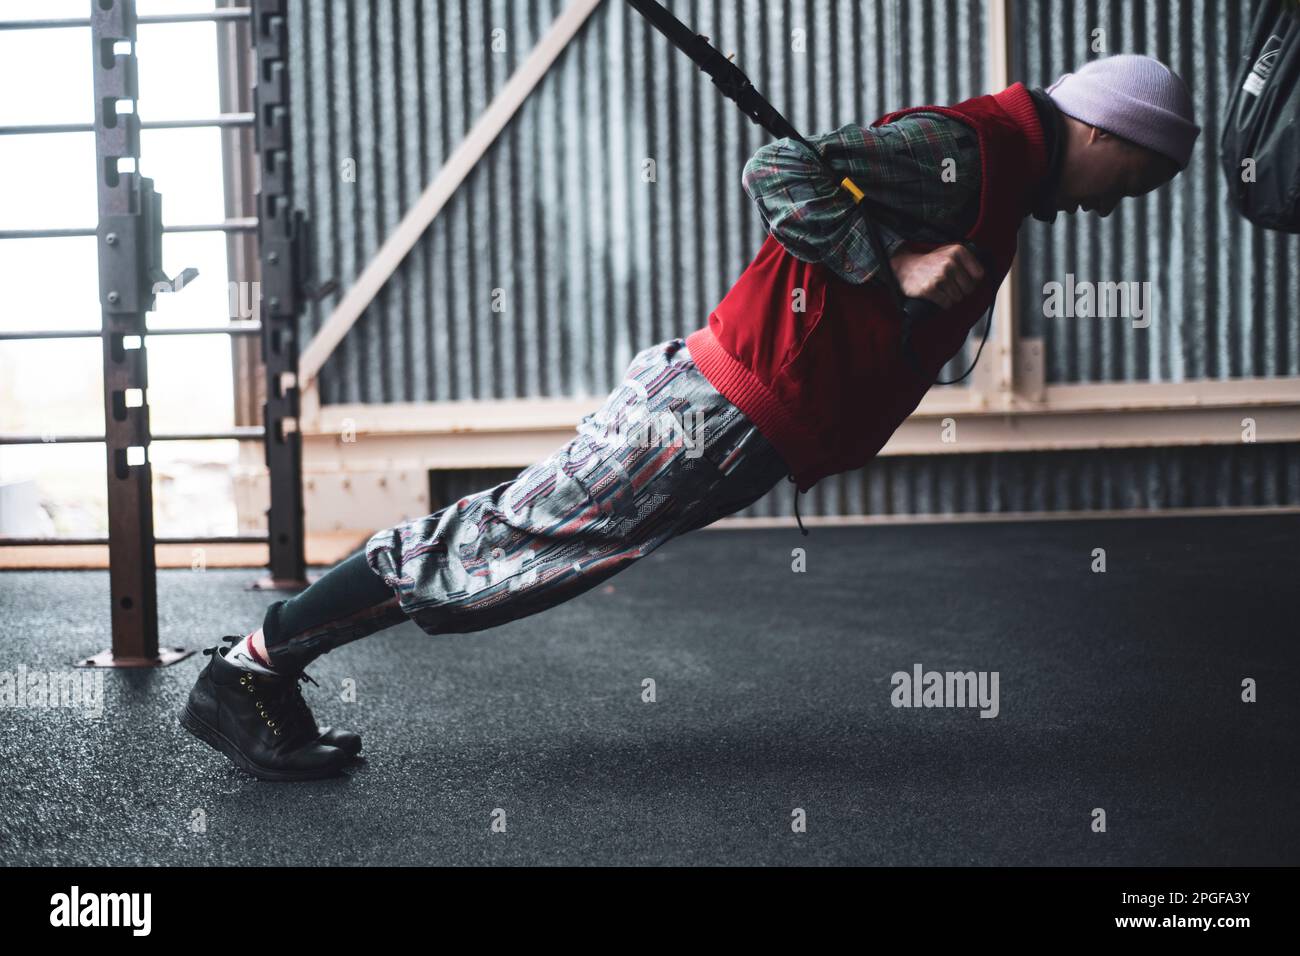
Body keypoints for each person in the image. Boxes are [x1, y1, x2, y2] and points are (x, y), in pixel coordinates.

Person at [180, 54, 1199, 780]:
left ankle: (260, 666)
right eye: (1140, 175)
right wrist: (890, 263)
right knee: (495, 547)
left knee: (511, 559)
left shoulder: (1001, 169)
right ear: (1108, 131)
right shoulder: (968, 149)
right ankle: (251, 668)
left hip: (732, 415)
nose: (1126, 199)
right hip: (714, 410)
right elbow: (781, 172)